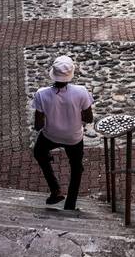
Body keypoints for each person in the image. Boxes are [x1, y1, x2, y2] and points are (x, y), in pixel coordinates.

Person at [32, 56, 94, 209]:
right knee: (76, 167)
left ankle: (55, 189)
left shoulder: (41, 94)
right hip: (74, 137)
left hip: (50, 135)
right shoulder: (81, 92)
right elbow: (89, 118)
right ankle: (70, 204)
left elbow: (38, 125)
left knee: (39, 152)